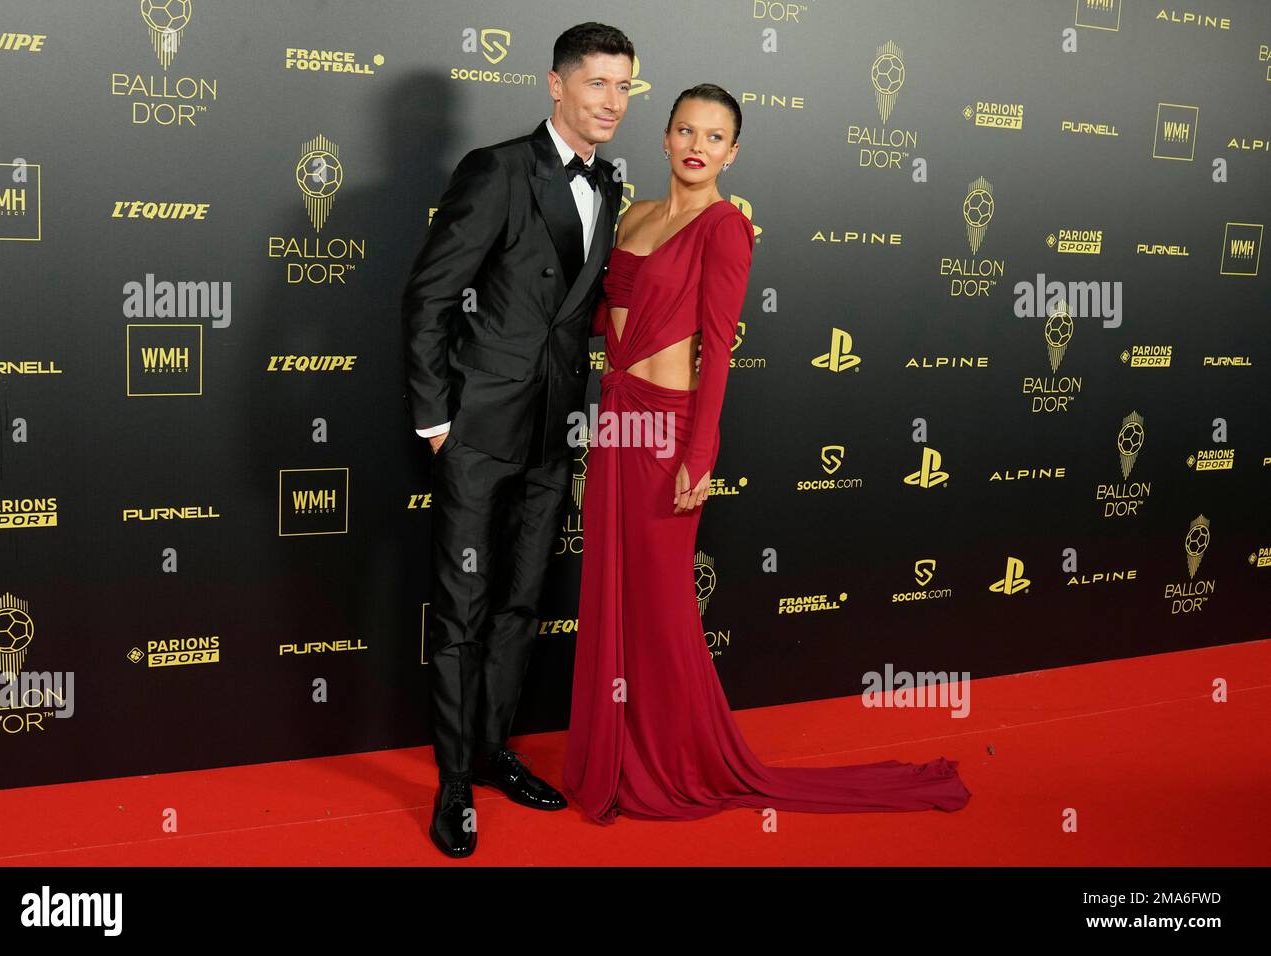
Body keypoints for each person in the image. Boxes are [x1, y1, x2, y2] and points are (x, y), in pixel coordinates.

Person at [561, 84, 972, 824]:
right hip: (615, 421)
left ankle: (679, 758)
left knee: (659, 601)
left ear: (732, 152)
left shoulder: (725, 228)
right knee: (611, 593)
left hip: (667, 430)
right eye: (686, 129)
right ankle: (615, 754)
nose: (697, 145)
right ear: (663, 137)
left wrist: (701, 452)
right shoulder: (636, 215)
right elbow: (600, 316)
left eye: (715, 137)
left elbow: (716, 348)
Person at [402, 22, 635, 857]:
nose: (612, 102)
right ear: (556, 84)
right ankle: (453, 784)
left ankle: (494, 748)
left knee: (522, 602)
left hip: (554, 431)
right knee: (463, 609)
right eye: (597, 84)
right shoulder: (498, 170)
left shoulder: (610, 185)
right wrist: (436, 419)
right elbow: (430, 296)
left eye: (624, 87)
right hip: (476, 432)